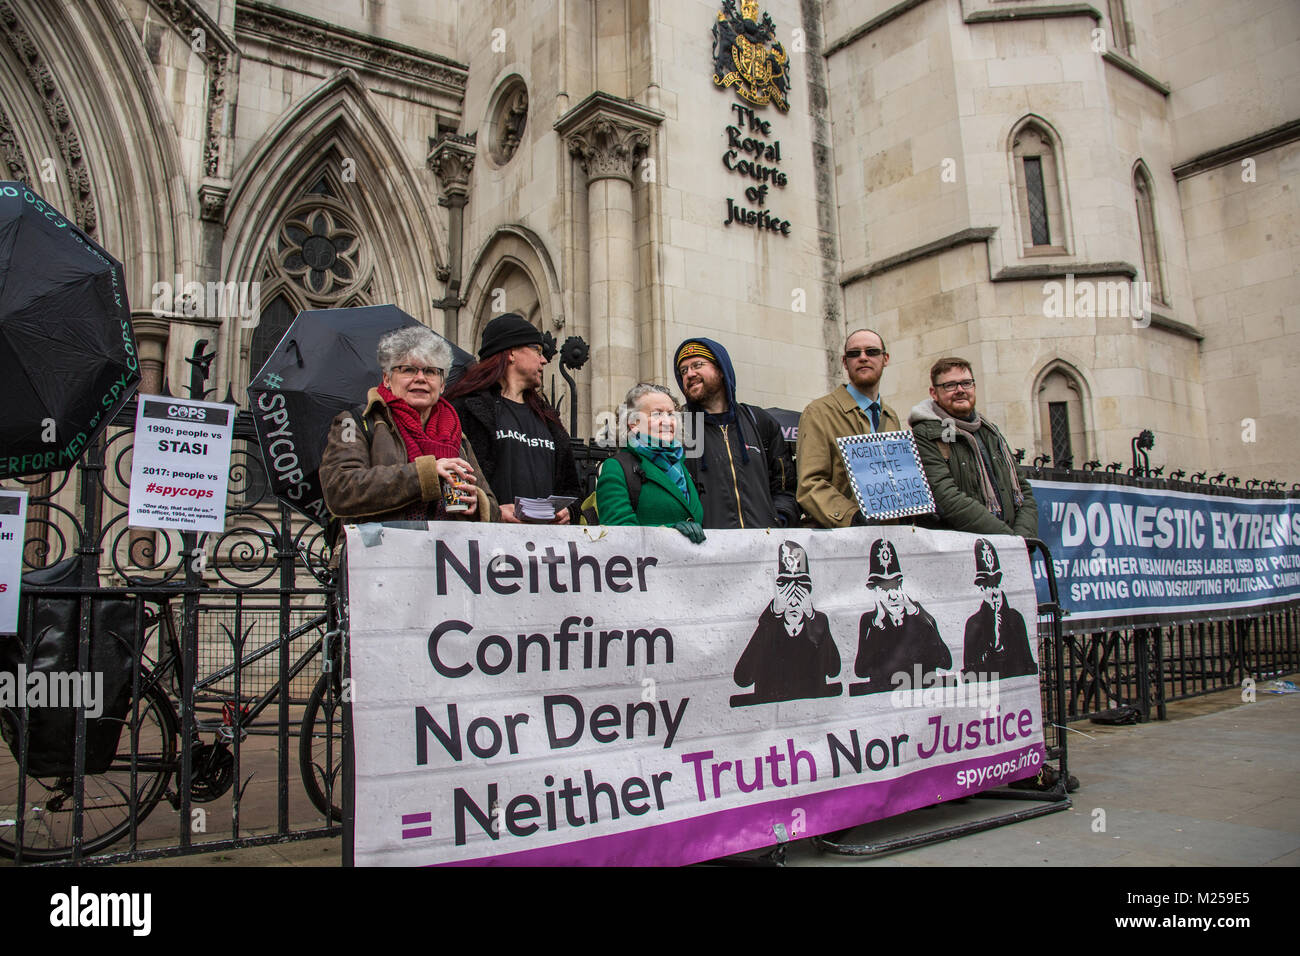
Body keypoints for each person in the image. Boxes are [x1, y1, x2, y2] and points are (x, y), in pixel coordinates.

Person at [319, 325, 496, 526]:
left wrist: (477, 503)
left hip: (442, 554)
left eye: (430, 371)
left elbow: (492, 505)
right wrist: (426, 474)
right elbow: (340, 489)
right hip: (377, 553)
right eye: (408, 369)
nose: (420, 378)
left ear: (442, 384)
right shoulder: (356, 422)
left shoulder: (456, 434)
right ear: (386, 379)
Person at [443, 312, 580, 523]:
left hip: (547, 546)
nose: (544, 360)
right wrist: (492, 512)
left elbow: (572, 489)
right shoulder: (464, 409)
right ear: (511, 353)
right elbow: (454, 487)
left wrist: (571, 511)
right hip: (489, 543)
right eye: (537, 350)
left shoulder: (549, 418)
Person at [672, 338, 798, 529]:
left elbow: (785, 487)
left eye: (697, 365)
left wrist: (779, 519)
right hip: (705, 551)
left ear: (721, 370)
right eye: (683, 371)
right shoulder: (677, 428)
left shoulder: (760, 421)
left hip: (764, 547)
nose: (690, 374)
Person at [907, 357, 1037, 536]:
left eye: (966, 383)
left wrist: (1023, 537)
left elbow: (1023, 490)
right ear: (934, 393)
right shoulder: (925, 434)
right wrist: (1007, 538)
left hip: (1013, 547)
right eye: (950, 385)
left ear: (974, 387)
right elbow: (946, 497)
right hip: (968, 551)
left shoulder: (990, 431)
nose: (960, 390)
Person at [796, 329, 903, 528]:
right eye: (854, 354)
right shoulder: (819, 412)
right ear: (845, 363)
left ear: (885, 358)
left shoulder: (890, 417)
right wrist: (851, 517)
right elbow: (810, 484)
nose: (863, 358)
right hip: (843, 540)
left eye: (871, 352)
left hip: (890, 536)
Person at [731, 541, 841, 706]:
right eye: (787, 591)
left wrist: (812, 617)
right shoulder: (769, 627)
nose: (794, 601)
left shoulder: (818, 622)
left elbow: (833, 670)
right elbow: (742, 678)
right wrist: (772, 615)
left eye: (800, 591)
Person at [594, 383, 705, 543]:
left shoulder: (681, 467)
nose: (667, 421)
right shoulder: (617, 468)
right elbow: (618, 533)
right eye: (657, 414)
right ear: (634, 423)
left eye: (671, 414)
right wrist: (670, 532)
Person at [849, 538, 951, 696]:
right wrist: (878, 628)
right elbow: (861, 670)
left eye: (894, 586)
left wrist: (917, 615)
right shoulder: (871, 621)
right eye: (883, 588)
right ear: (874, 591)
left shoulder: (918, 613)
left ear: (902, 586)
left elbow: (945, 661)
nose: (891, 596)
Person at [962, 538, 1037, 680]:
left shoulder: (1015, 618)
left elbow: (1027, 663)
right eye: (988, 586)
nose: (994, 591)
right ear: (982, 588)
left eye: (996, 584)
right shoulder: (973, 623)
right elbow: (970, 671)